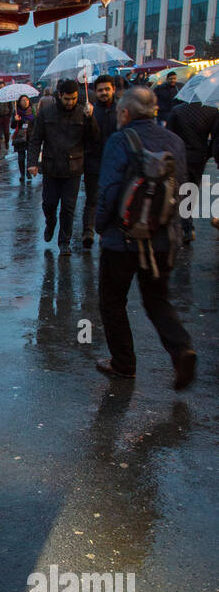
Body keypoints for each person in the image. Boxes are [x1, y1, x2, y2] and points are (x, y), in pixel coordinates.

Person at [94, 86, 195, 389]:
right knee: (157, 299)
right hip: (162, 240)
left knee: (112, 302)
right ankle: (182, 349)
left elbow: (109, 191)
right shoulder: (174, 141)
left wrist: (100, 226)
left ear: (124, 113)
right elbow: (182, 190)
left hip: (120, 241)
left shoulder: (120, 140)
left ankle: (123, 364)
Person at [27, 78, 97, 255]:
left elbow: (93, 140)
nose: (70, 102)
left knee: (68, 208)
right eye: (67, 99)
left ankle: (64, 242)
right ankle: (50, 223)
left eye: (73, 99)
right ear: (60, 96)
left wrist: (91, 119)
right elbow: (36, 139)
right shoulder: (47, 113)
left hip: (73, 168)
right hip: (51, 167)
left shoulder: (83, 113)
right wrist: (32, 163)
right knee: (49, 204)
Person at [165, 97, 219, 243]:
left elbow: (168, 135)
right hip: (199, 157)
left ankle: (184, 225)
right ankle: (187, 226)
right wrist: (208, 154)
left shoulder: (176, 111)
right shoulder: (212, 111)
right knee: (191, 190)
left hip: (179, 156)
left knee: (178, 191)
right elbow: (215, 138)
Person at [82, 75, 117, 249]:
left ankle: (107, 232)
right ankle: (88, 231)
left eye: (106, 89)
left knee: (113, 197)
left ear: (113, 90)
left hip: (115, 162)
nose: (104, 93)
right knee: (92, 198)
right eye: (100, 90)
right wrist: (88, 118)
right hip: (94, 160)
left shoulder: (121, 110)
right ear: (95, 92)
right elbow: (87, 137)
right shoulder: (90, 110)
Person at [11, 95, 34, 180]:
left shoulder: (33, 110)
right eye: (23, 100)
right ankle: (22, 174)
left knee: (30, 156)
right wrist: (15, 120)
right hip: (20, 137)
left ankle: (28, 172)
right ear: (19, 103)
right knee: (21, 157)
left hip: (30, 136)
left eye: (27, 100)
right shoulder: (17, 112)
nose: (25, 102)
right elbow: (12, 126)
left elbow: (36, 123)